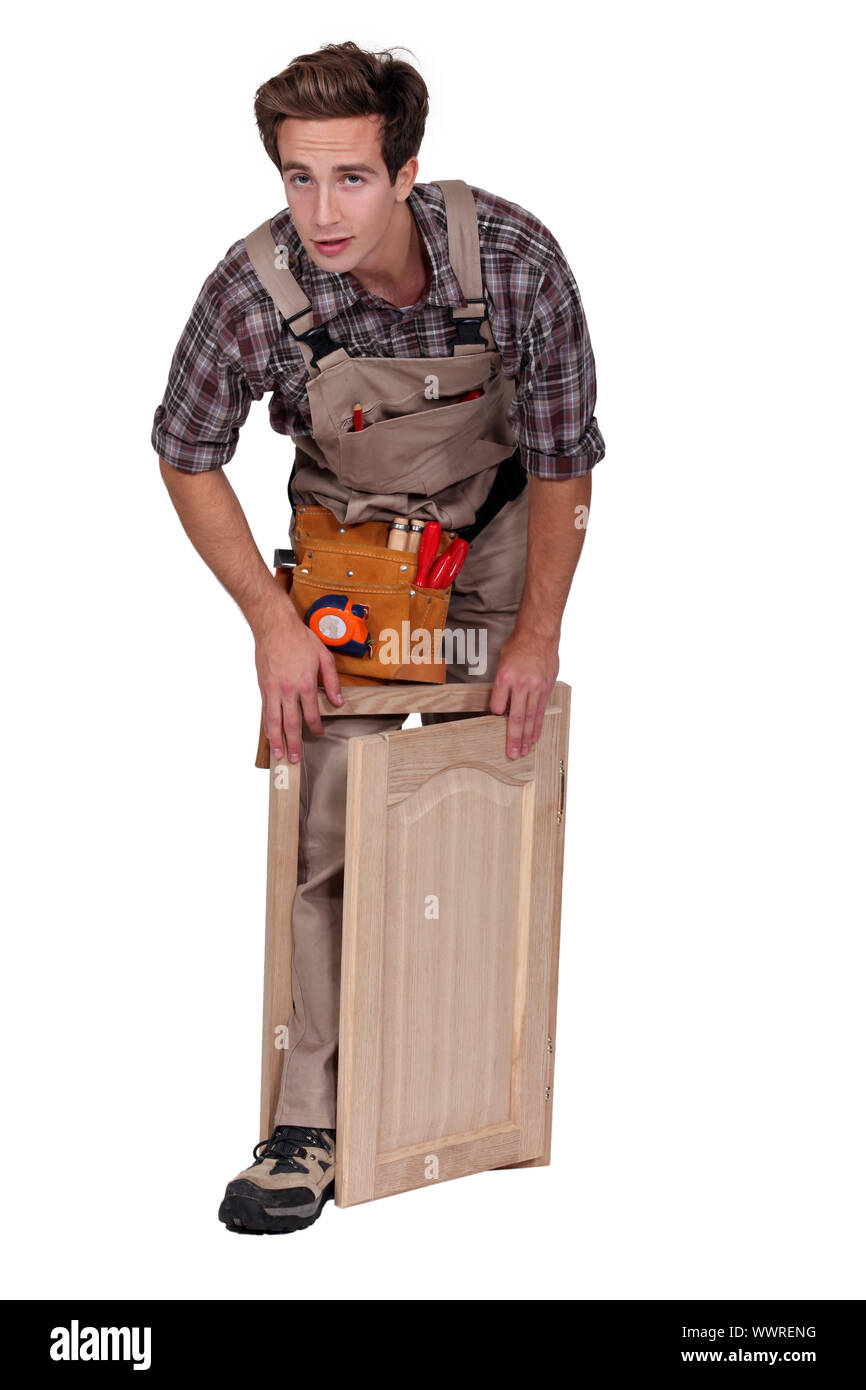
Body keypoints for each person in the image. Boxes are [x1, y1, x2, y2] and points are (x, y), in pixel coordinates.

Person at [152, 40, 605, 1234]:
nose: (320, 212)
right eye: (298, 179)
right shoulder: (253, 291)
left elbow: (563, 463)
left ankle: (464, 1096)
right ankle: (305, 1124)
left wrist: (533, 636)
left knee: (486, 787)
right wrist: (270, 623)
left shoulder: (511, 261)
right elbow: (185, 455)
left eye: (349, 178)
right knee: (332, 812)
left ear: (406, 169)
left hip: (493, 546)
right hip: (353, 569)